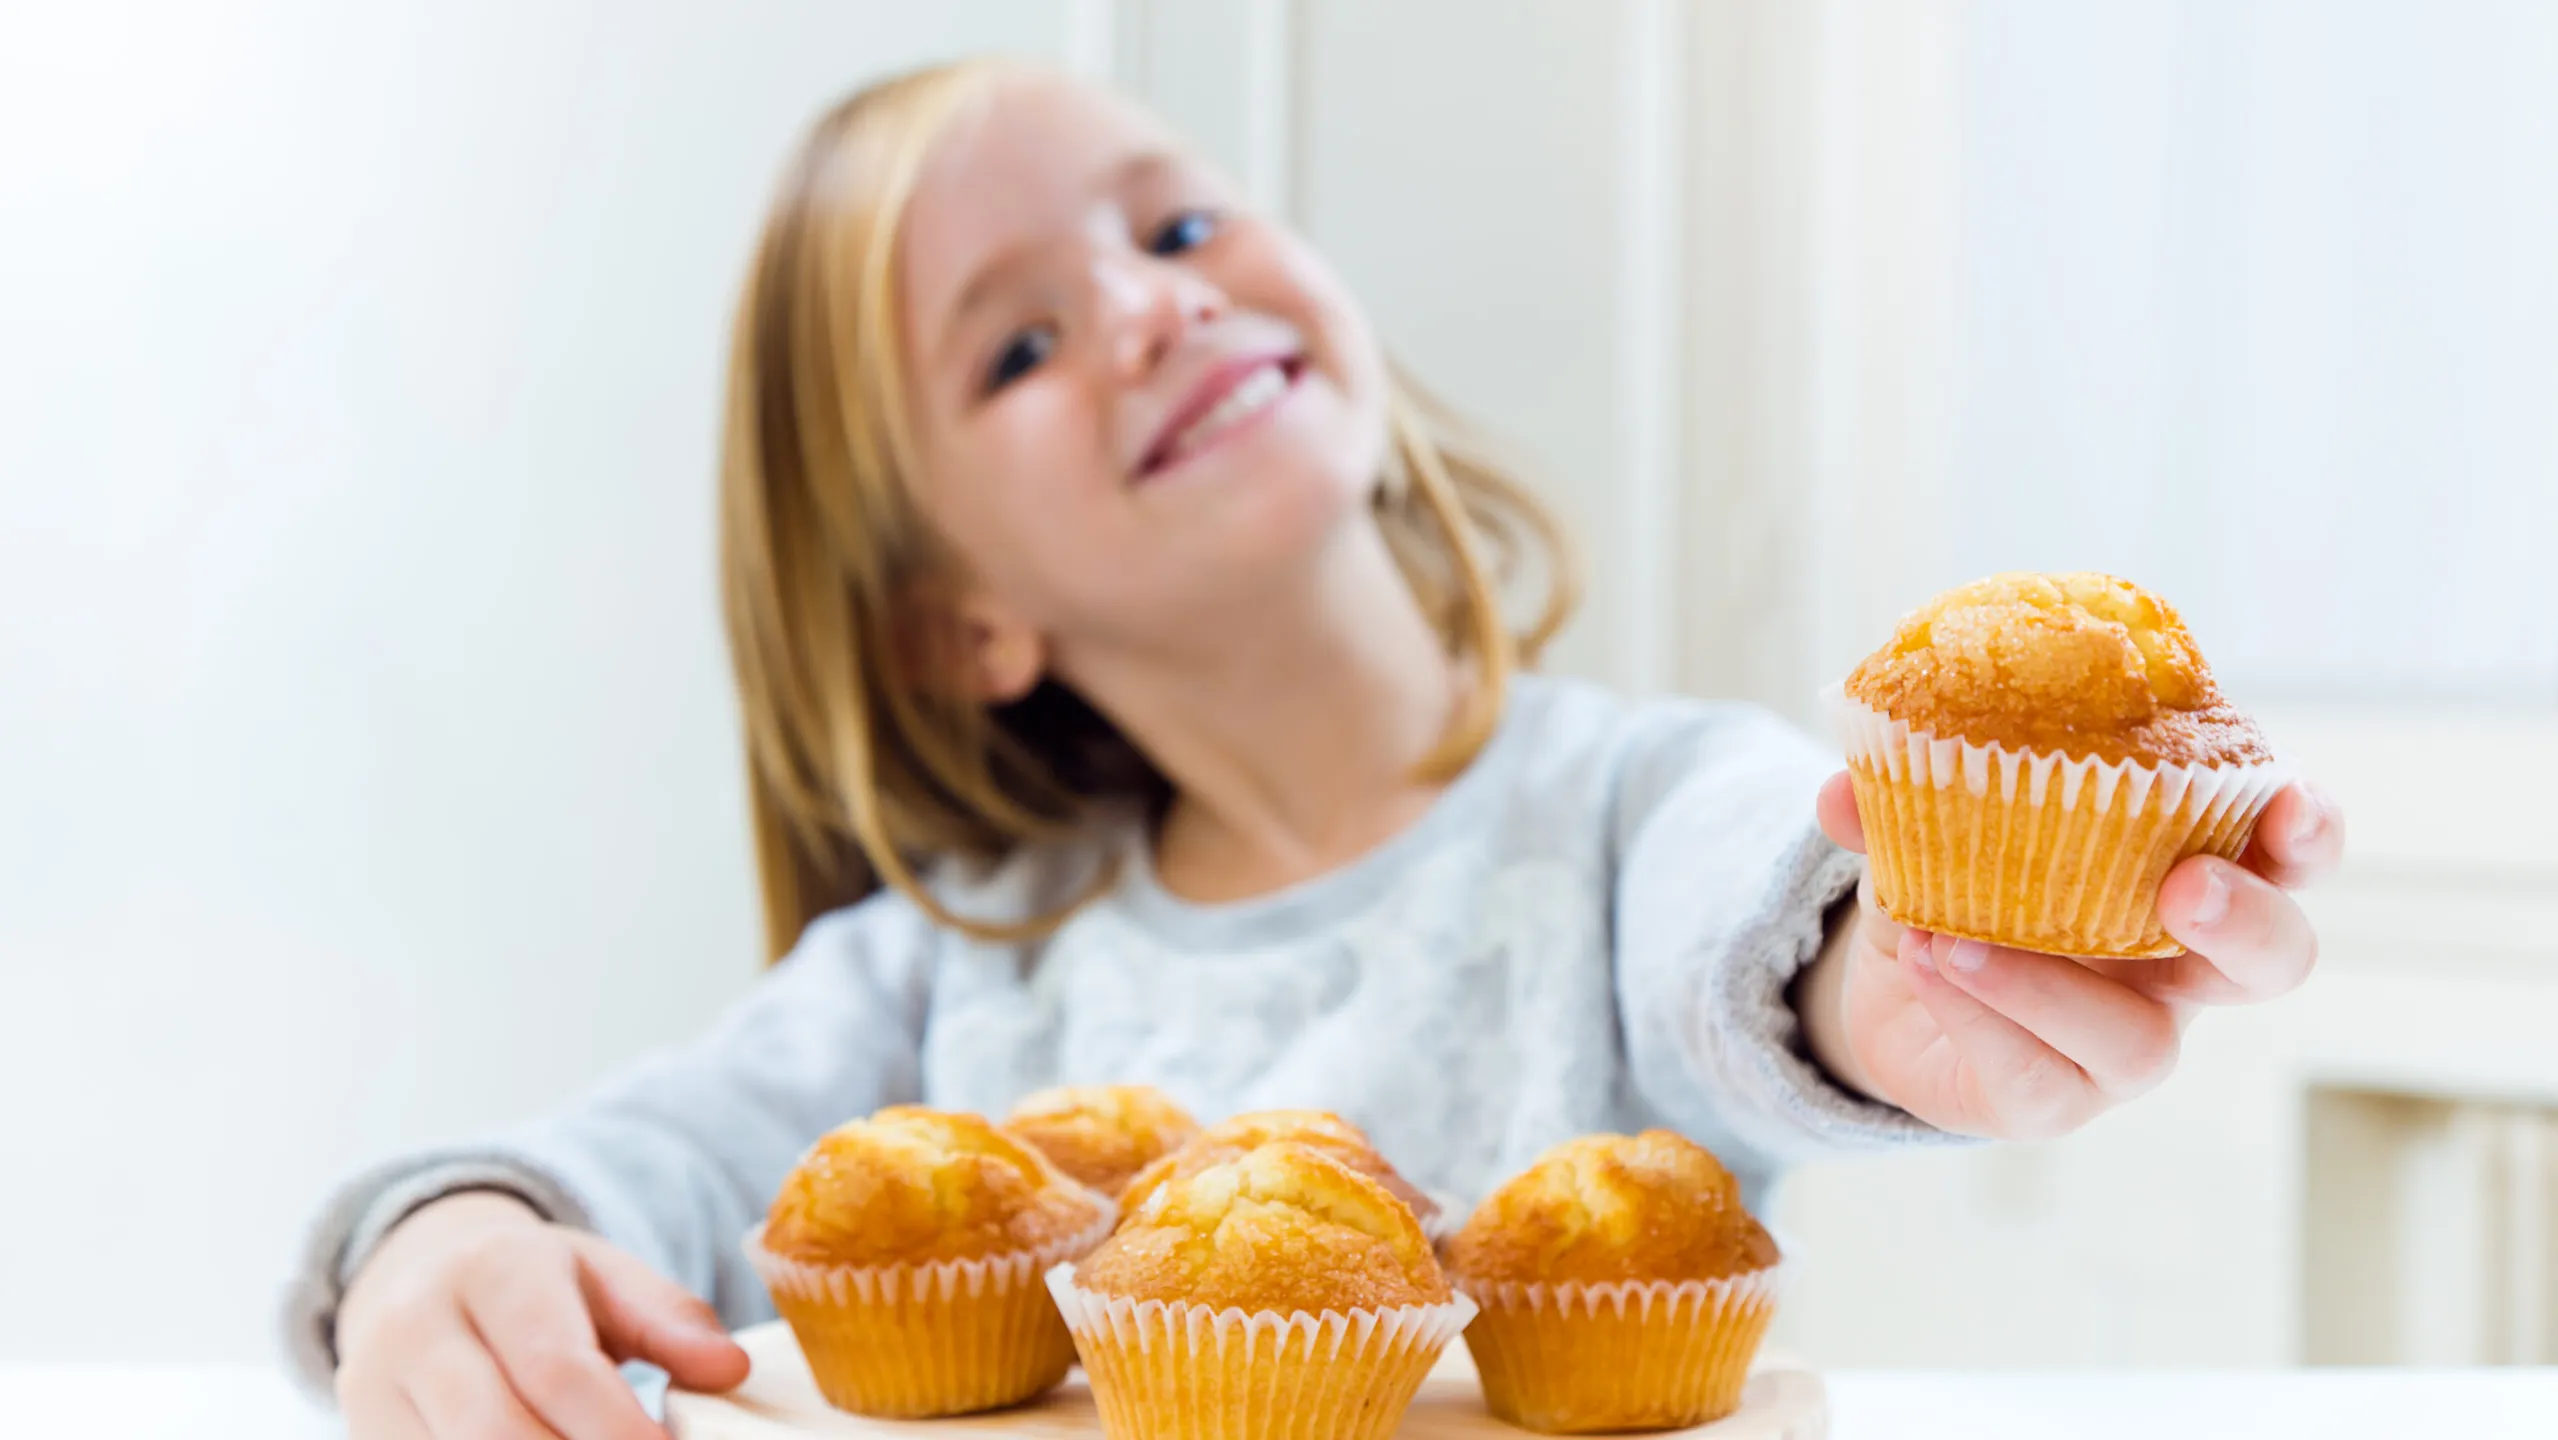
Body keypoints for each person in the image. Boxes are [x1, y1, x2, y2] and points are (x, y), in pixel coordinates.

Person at [290, 57, 2342, 1440]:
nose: (1145, 306)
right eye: (1016, 340)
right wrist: (449, 1238)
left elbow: (1767, 928)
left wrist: (1905, 971)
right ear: (954, 620)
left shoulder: (1631, 810)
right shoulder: (943, 965)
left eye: (1173, 232)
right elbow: (649, 1167)